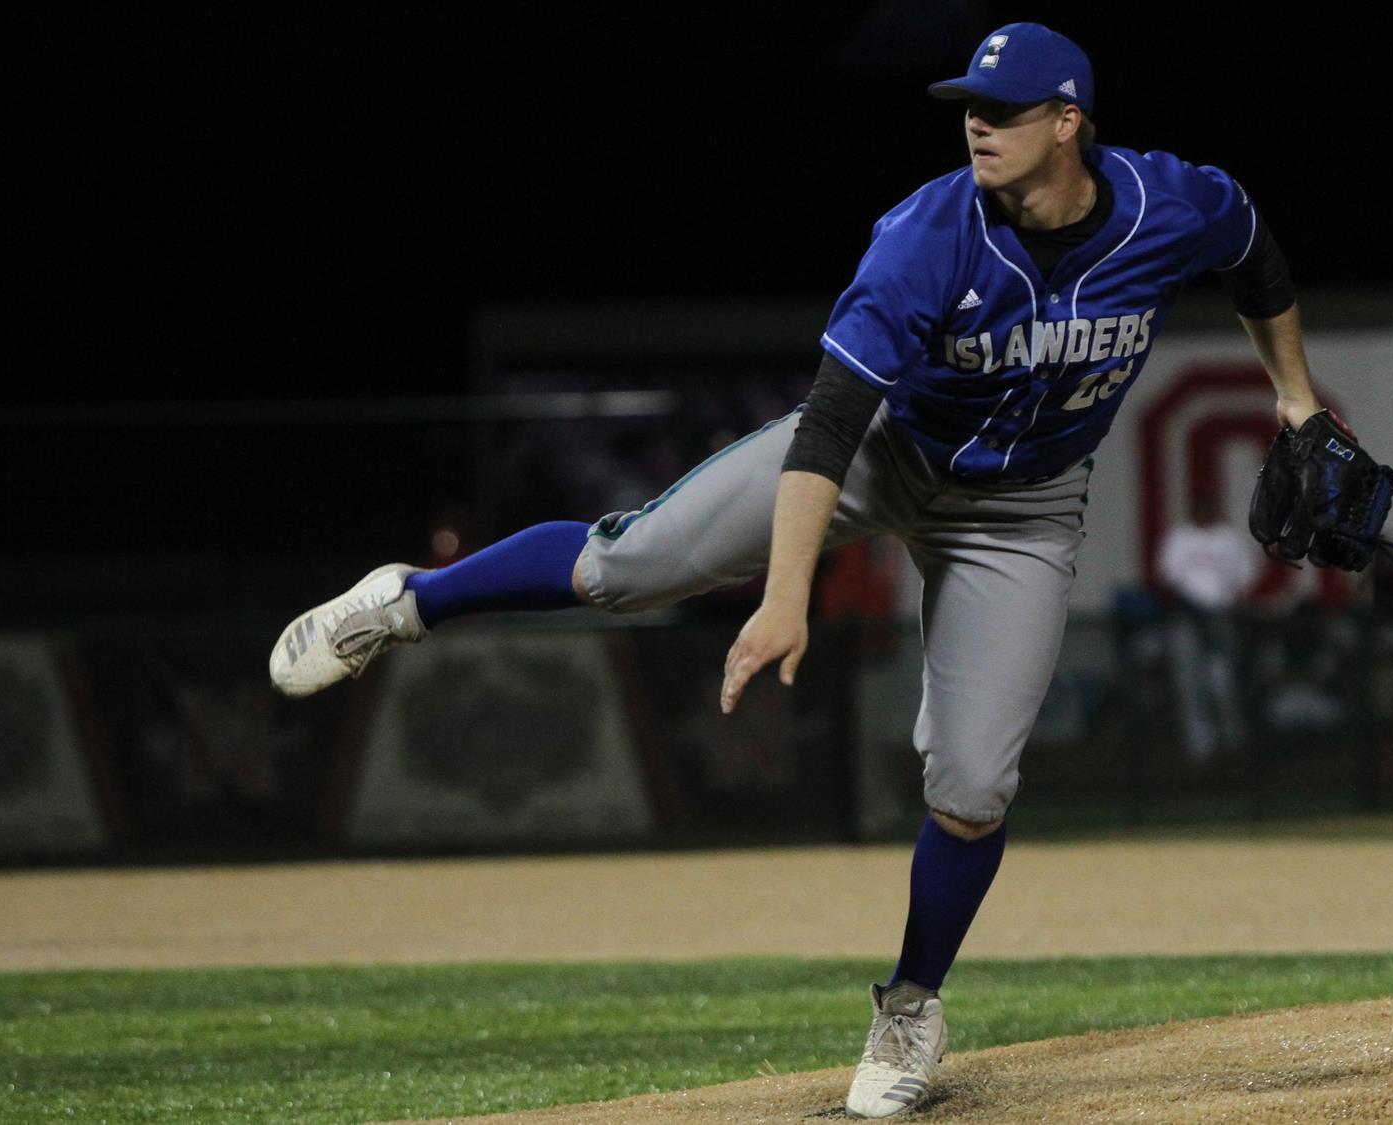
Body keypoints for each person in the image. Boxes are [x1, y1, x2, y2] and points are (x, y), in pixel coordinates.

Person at [267, 23, 1335, 1118]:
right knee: (619, 568)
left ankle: (910, 1007)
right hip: (881, 454)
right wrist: (784, 600)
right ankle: (404, 602)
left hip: (1020, 511)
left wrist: (1292, 395)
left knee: (972, 789)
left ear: (1069, 124)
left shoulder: (1169, 206)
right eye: (968, 103)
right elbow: (827, 427)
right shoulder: (926, 234)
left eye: (1003, 108)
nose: (976, 122)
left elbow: (1252, 254)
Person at [1155, 487, 1265, 766]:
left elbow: (1244, 582)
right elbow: (1167, 580)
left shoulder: (1228, 538)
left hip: (1220, 617)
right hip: (1186, 620)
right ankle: (1200, 754)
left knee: (1224, 684)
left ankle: (1233, 747)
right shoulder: (1179, 537)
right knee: (1189, 687)